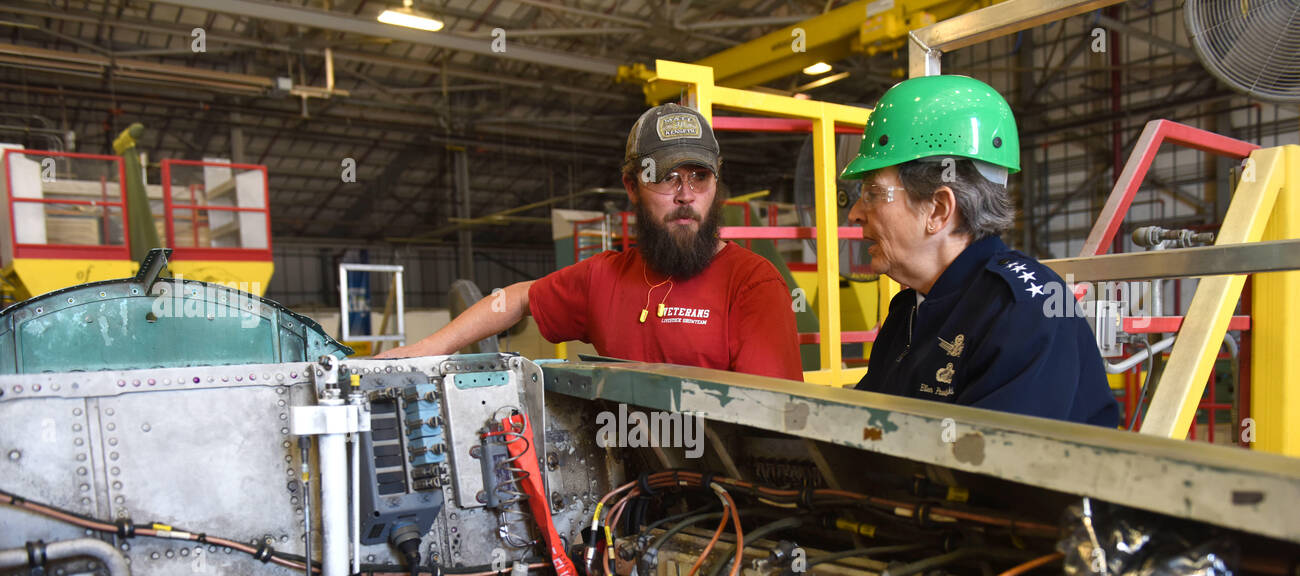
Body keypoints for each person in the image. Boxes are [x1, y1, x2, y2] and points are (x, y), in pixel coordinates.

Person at [379, 104, 803, 381]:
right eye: (666, 177)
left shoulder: (752, 285)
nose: (685, 194)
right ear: (631, 186)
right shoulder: (605, 278)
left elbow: (776, 422)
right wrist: (428, 349)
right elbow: (518, 297)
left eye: (699, 176)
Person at [841, 75, 1119, 427]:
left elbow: (991, 465)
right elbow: (871, 428)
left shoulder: (1024, 311)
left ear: (939, 209)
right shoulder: (910, 309)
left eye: (874, 194)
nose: (855, 213)